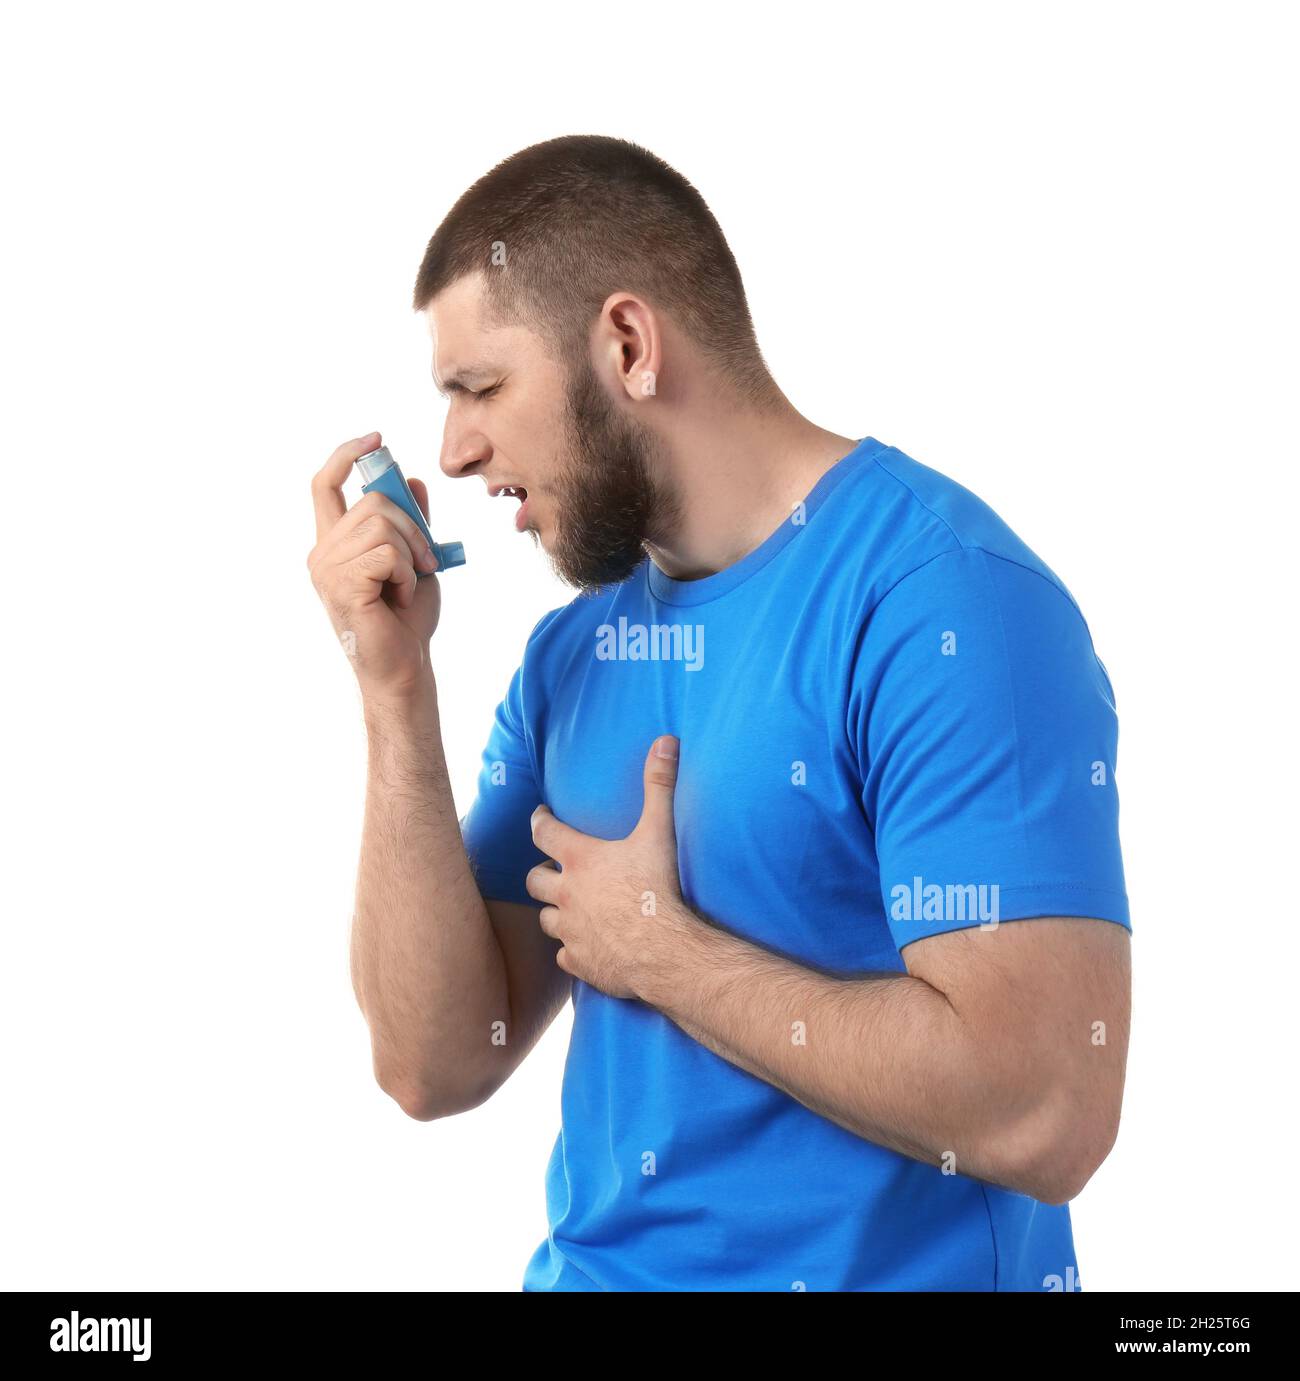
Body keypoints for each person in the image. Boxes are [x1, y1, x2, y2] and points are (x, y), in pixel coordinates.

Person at [307, 135, 1132, 1292]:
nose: (455, 450)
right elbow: (432, 1063)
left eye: (481, 386)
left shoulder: (949, 605)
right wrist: (394, 693)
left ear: (629, 346)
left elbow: (1046, 1110)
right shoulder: (573, 655)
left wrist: (667, 957)